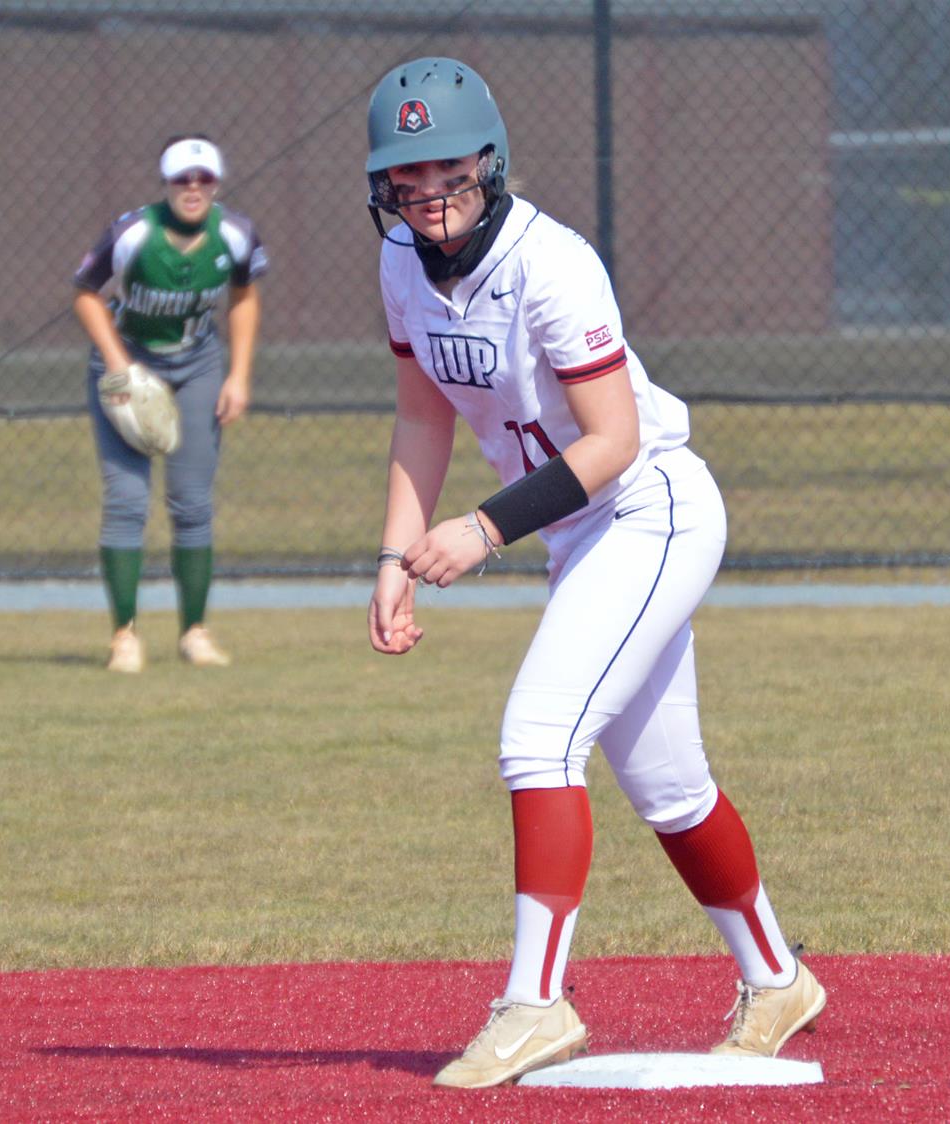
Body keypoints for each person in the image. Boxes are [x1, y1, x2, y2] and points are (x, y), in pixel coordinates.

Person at [362, 58, 826, 1089]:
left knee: (537, 737)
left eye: (448, 167)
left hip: (648, 506)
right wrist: (393, 554)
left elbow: (613, 439)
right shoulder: (400, 259)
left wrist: (480, 531)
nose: (427, 192)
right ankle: (775, 978)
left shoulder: (551, 263)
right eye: (406, 173)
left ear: (488, 163)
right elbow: (419, 413)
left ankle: (534, 1004)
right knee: (668, 785)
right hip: (581, 530)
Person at [72, 135, 266, 672]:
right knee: (127, 500)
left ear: (216, 184)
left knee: (192, 502)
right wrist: (118, 365)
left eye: (203, 179)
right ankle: (124, 637)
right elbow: (86, 292)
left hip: (198, 365)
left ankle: (195, 633)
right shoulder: (134, 232)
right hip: (126, 360)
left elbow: (244, 296)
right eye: (182, 179)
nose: (193, 188)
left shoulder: (235, 233)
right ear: (167, 183)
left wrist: (240, 377)